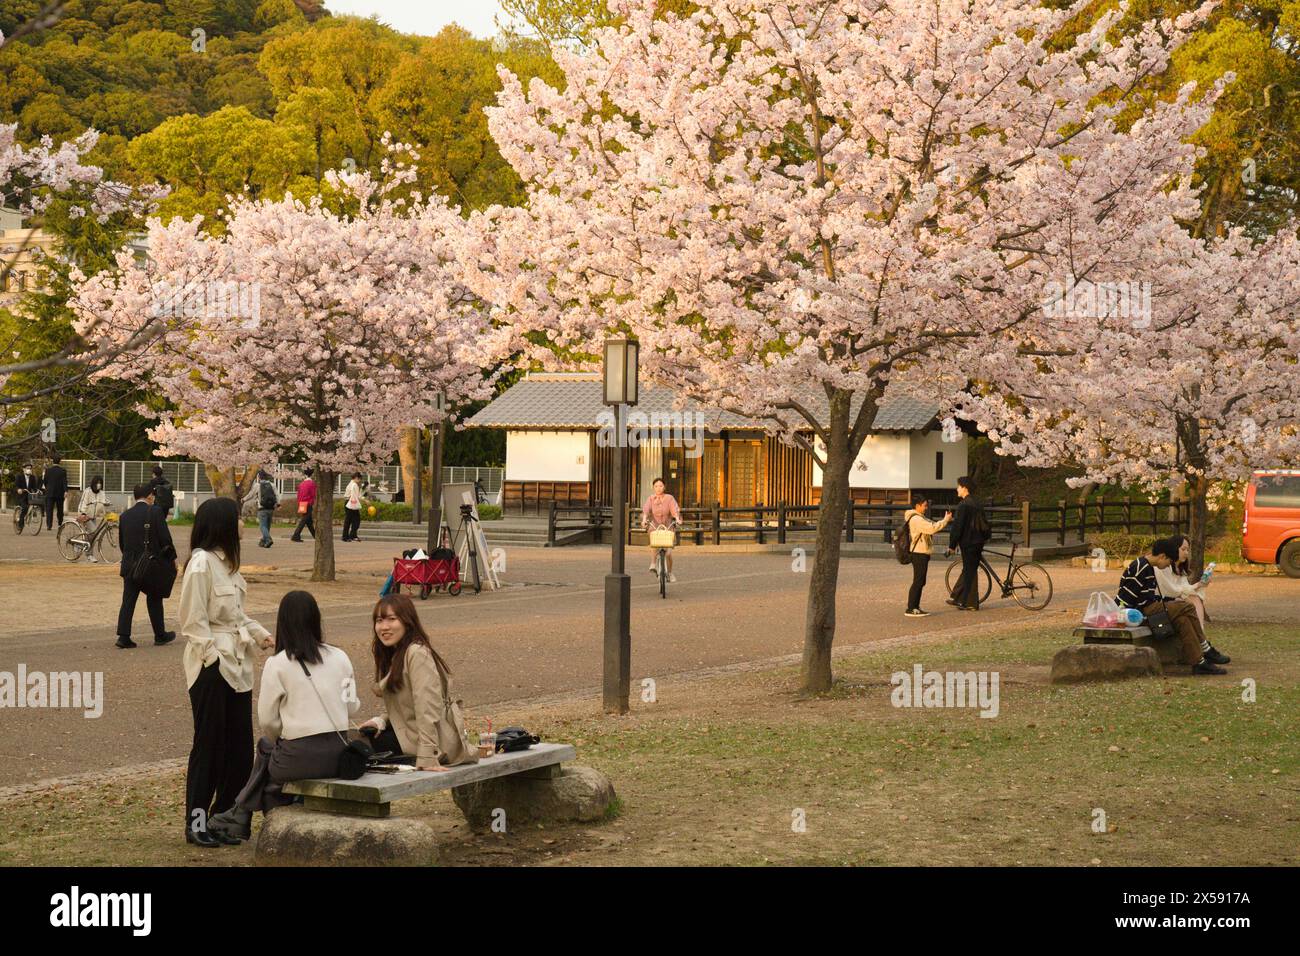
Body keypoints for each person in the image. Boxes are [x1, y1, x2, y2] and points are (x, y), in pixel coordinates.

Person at [206, 591, 358, 842]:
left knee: (266, 750)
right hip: (340, 755)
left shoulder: (277, 664)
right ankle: (240, 814)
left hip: (298, 759)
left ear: (282, 623)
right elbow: (351, 707)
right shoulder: (340, 657)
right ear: (315, 619)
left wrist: (282, 739)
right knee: (270, 763)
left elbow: (268, 721)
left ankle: (241, 813)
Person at [179, 497, 273, 847]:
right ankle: (196, 822)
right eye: (237, 519)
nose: (243, 524)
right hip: (213, 665)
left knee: (238, 749)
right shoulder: (202, 563)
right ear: (222, 523)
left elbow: (238, 617)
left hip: (238, 665)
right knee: (209, 746)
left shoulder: (230, 568)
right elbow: (192, 619)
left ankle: (222, 817)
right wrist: (211, 659)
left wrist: (262, 636)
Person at [358, 593, 477, 770]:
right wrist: (381, 721)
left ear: (407, 621)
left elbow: (427, 708)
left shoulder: (417, 653)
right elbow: (408, 707)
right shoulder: (396, 654)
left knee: (351, 749)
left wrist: (427, 757)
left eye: (392, 619)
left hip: (426, 745)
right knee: (352, 742)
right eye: (379, 620)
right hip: (409, 736)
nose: (384, 627)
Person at [1116, 537, 1230, 675]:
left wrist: (1167, 601)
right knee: (1186, 607)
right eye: (1169, 561)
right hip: (1135, 613)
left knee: (1182, 620)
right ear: (1162, 556)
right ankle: (1205, 648)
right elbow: (1128, 598)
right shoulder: (1141, 567)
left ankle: (1198, 662)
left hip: (1146, 607)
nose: (1169, 564)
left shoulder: (1148, 566)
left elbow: (1148, 596)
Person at [115, 483, 178, 649]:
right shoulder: (155, 512)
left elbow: (123, 544)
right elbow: (165, 539)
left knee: (128, 600)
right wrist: (173, 559)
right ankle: (160, 634)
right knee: (154, 598)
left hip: (129, 564)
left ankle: (123, 636)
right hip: (150, 563)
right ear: (150, 496)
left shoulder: (125, 516)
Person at [901, 497, 953, 617]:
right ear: (917, 506)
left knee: (920, 581)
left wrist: (944, 520)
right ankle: (911, 608)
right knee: (918, 581)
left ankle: (915, 606)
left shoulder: (918, 517)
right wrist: (945, 520)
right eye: (924, 505)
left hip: (920, 552)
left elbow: (932, 524)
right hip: (919, 553)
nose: (926, 507)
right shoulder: (916, 519)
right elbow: (932, 528)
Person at [945, 476, 990, 610]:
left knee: (969, 571)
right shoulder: (977, 503)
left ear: (964, 488)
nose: (957, 489)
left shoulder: (963, 505)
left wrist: (952, 545)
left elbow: (957, 528)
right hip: (978, 541)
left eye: (958, 486)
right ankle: (959, 598)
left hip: (968, 542)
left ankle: (971, 603)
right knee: (969, 570)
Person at [1157, 534, 1212, 631]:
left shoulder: (1181, 570)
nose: (1186, 553)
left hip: (1175, 600)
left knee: (1194, 598)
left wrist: (1202, 584)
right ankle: (1200, 635)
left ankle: (1200, 633)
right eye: (1183, 549)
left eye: (1187, 550)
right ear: (1173, 548)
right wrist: (1197, 585)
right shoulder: (1164, 566)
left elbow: (1185, 589)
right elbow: (1173, 590)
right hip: (1162, 601)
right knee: (1190, 599)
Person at [640, 477, 682, 583]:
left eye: (660, 486)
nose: (658, 488)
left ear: (664, 487)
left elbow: (675, 510)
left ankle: (670, 573)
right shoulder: (650, 498)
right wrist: (644, 520)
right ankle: (653, 563)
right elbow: (646, 510)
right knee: (655, 542)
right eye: (656, 486)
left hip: (668, 526)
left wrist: (677, 519)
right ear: (653, 488)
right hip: (655, 525)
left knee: (668, 553)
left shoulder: (669, 498)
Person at [77, 474, 110, 563]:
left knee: (93, 535)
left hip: (93, 516)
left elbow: (103, 502)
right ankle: (89, 555)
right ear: (93, 483)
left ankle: (80, 545)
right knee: (93, 532)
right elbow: (83, 503)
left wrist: (107, 505)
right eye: (97, 483)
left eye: (100, 483)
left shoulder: (102, 493)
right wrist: (82, 513)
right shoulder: (87, 491)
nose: (99, 485)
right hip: (86, 515)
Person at [289, 466, 317, 542]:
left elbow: (298, 495)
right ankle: (295, 535)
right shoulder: (312, 484)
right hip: (308, 503)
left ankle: (315, 536)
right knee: (304, 520)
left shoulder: (301, 484)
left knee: (309, 521)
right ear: (312, 474)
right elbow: (313, 495)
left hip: (301, 503)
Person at [42, 454, 67, 530]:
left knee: (49, 509)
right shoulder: (63, 471)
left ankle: (49, 525)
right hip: (60, 493)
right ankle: (60, 523)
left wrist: (47, 488)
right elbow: (64, 482)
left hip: (50, 492)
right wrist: (65, 491)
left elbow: (45, 481)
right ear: (60, 462)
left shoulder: (48, 470)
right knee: (60, 509)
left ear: (53, 461)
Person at [254, 469, 278, 548]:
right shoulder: (272, 485)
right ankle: (263, 541)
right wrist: (278, 504)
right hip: (271, 509)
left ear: (259, 477)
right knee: (267, 526)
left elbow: (251, 494)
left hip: (262, 508)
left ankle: (268, 539)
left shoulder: (257, 485)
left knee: (262, 526)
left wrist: (243, 499)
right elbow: (277, 495)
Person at [342, 472, 365, 542]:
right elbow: (356, 496)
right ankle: (348, 536)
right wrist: (365, 500)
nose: (360, 481)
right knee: (355, 520)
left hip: (349, 502)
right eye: (359, 479)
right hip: (351, 503)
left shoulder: (351, 484)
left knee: (350, 521)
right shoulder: (354, 485)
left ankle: (350, 536)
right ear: (356, 478)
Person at [14, 463, 37, 531]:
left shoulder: (32, 477)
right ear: (23, 469)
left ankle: (30, 516)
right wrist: (18, 489)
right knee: (24, 507)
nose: (29, 470)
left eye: (30, 468)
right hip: (21, 496)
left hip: (29, 496)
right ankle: (20, 524)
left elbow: (34, 487)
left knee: (34, 505)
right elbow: (16, 485)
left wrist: (37, 491)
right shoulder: (19, 476)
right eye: (27, 468)